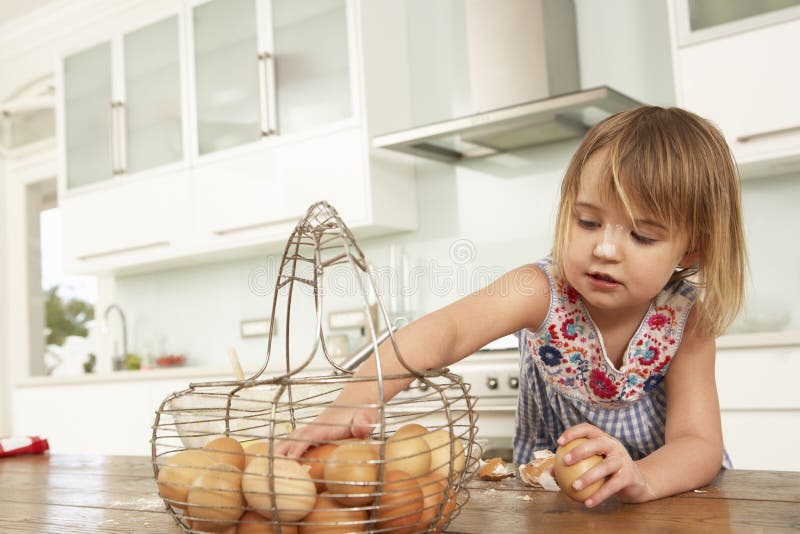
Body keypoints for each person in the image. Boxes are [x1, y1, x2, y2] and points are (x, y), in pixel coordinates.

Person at [277, 106, 746, 508]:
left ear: (692, 250)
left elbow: (699, 444)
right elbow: (445, 334)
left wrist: (643, 480)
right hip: (556, 507)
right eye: (587, 221)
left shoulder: (687, 321)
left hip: (670, 503)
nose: (604, 248)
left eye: (641, 235)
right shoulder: (539, 289)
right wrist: (352, 402)